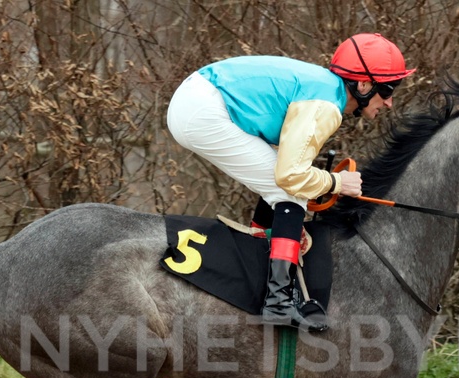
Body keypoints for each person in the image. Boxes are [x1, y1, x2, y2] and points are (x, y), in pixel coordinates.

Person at [167, 33, 416, 332]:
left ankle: (261, 251)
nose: (389, 102)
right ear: (363, 84)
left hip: (198, 100)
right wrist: (337, 182)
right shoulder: (325, 105)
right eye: (388, 90)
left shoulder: (326, 90)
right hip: (201, 110)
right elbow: (290, 176)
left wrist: (322, 183)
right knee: (288, 190)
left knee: (281, 179)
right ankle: (277, 302)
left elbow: (286, 165)